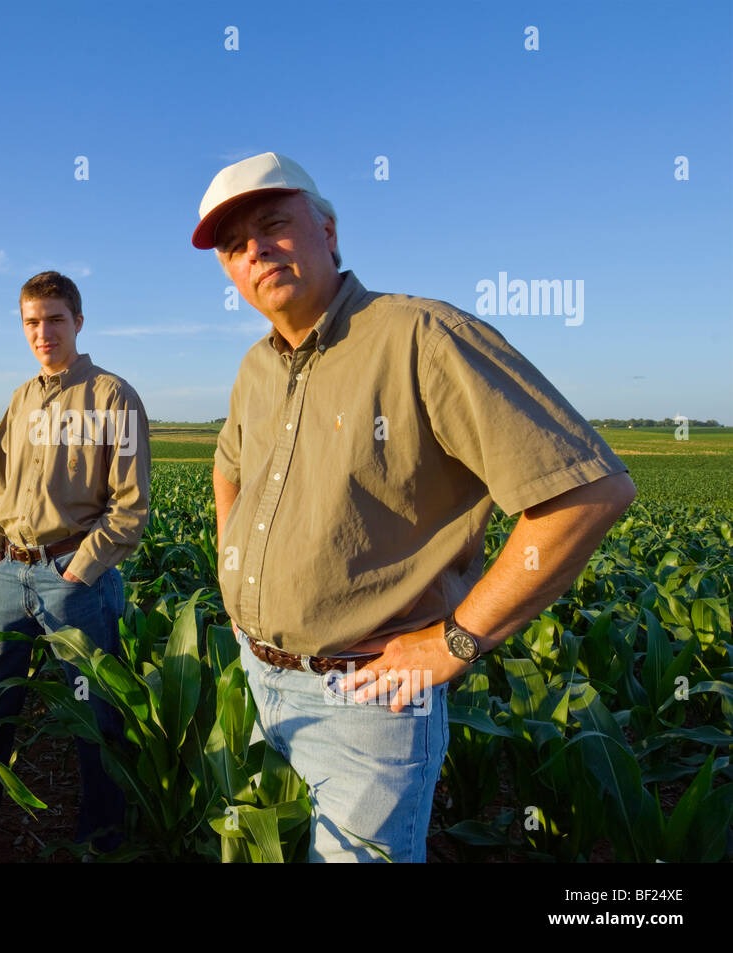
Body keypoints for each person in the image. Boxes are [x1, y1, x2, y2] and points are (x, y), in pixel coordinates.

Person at [195, 151, 636, 862]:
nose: (256, 252)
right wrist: (234, 575)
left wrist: (456, 638)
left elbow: (587, 492)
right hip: (259, 675)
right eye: (234, 247)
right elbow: (229, 469)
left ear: (329, 232)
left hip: (367, 703)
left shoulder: (422, 339)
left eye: (274, 224)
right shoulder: (257, 366)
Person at [0, 270, 151, 855]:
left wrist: (78, 570)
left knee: (97, 718)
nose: (43, 332)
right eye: (32, 322)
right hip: (7, 575)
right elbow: (2, 485)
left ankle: (100, 842)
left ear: (78, 322)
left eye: (55, 319)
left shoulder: (114, 396)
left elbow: (130, 507)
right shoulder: (20, 398)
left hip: (73, 580)